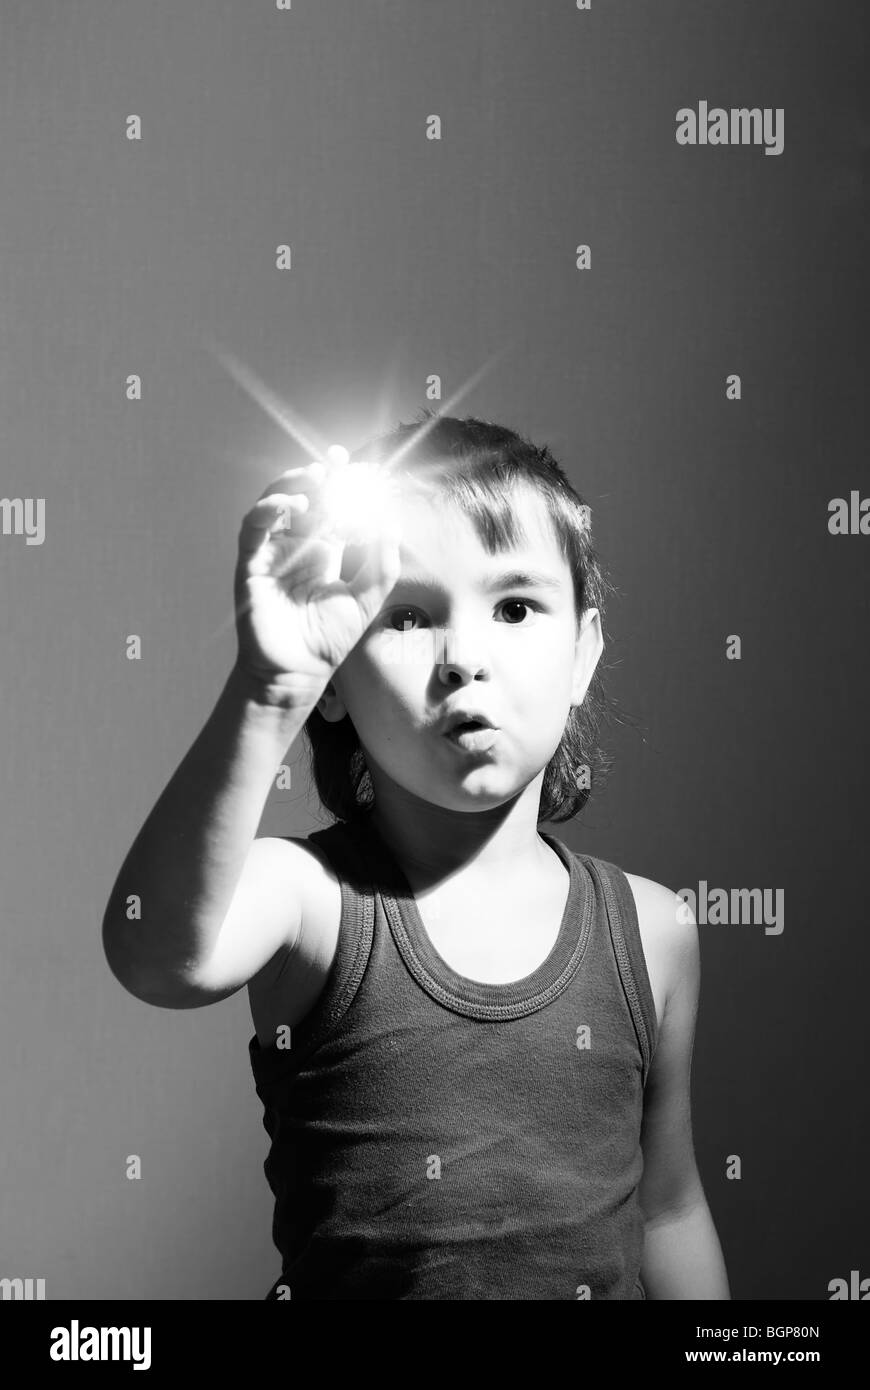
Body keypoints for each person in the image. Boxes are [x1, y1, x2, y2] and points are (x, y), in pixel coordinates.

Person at [102, 411, 730, 1300]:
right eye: (405, 616)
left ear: (584, 652)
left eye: (515, 606)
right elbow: (159, 954)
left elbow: (669, 1210)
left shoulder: (655, 930)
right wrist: (270, 685)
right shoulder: (312, 899)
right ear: (334, 678)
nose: (464, 657)